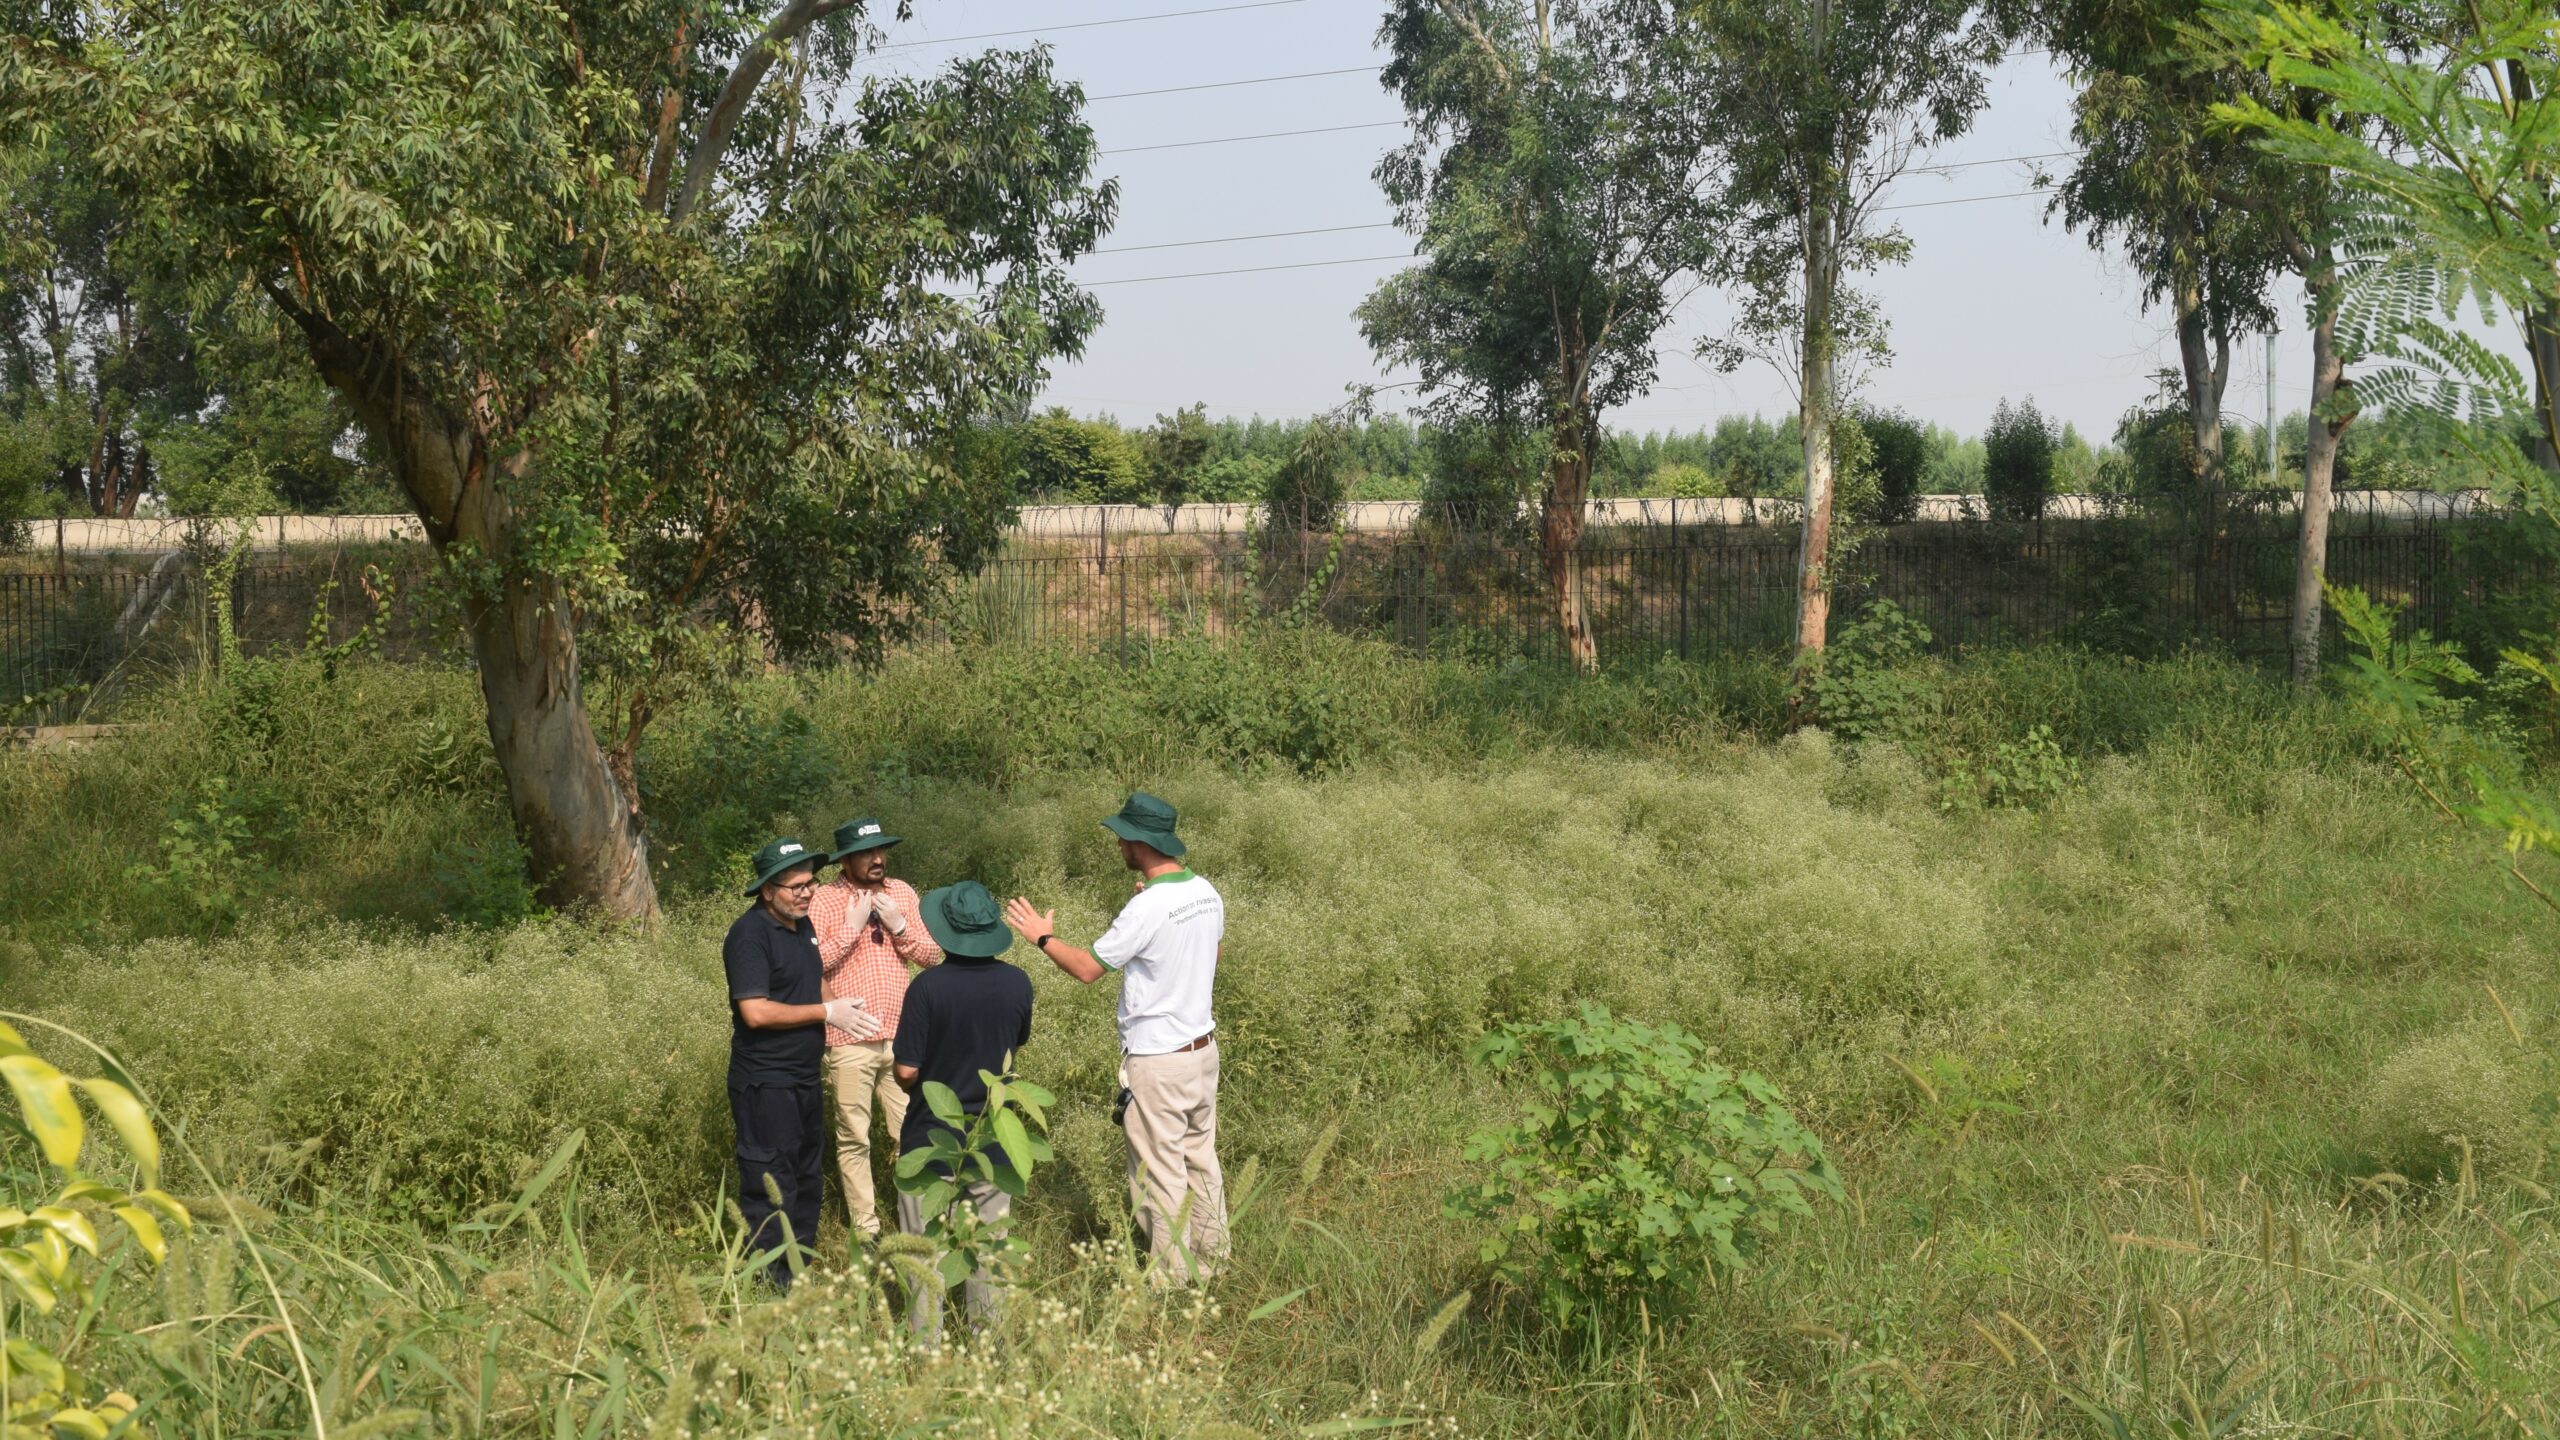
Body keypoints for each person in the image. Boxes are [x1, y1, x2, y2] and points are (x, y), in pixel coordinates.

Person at [1006, 792, 1227, 1285]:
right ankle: (1213, 1263)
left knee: (1160, 1172)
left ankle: (1172, 1279)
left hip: (1158, 1060)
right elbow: (1207, 958)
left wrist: (1042, 936)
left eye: (1121, 835)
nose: (1118, 842)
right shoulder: (1206, 892)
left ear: (1138, 842)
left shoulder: (1147, 909)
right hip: (1202, 1051)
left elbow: (1087, 969)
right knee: (1200, 1158)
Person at [723, 837, 871, 1290]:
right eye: (795, 886)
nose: (807, 893)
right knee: (772, 1183)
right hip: (766, 1084)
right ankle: (771, 1285)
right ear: (768, 890)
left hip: (804, 1078)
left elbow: (812, 983)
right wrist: (825, 1014)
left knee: (807, 1179)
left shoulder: (801, 927)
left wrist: (841, 1008)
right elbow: (756, 1011)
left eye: (811, 883)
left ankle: (798, 1273)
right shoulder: (749, 936)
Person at [893, 880, 1034, 1338]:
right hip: (992, 1137)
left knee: (921, 1248)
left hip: (931, 1136)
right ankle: (987, 1347)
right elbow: (1014, 1046)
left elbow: (907, 1072)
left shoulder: (926, 988)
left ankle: (925, 1348)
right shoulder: (1017, 982)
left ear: (944, 931)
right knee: (988, 1247)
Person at [809, 815, 942, 1245]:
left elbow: (933, 956)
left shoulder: (901, 892)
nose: (877, 859)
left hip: (902, 1036)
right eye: (866, 853)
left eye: (881, 850)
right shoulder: (826, 900)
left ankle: (918, 1222)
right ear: (846, 861)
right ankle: (866, 1230)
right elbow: (809, 964)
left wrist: (900, 925)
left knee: (913, 1133)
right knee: (854, 1137)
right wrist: (850, 929)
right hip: (849, 1040)